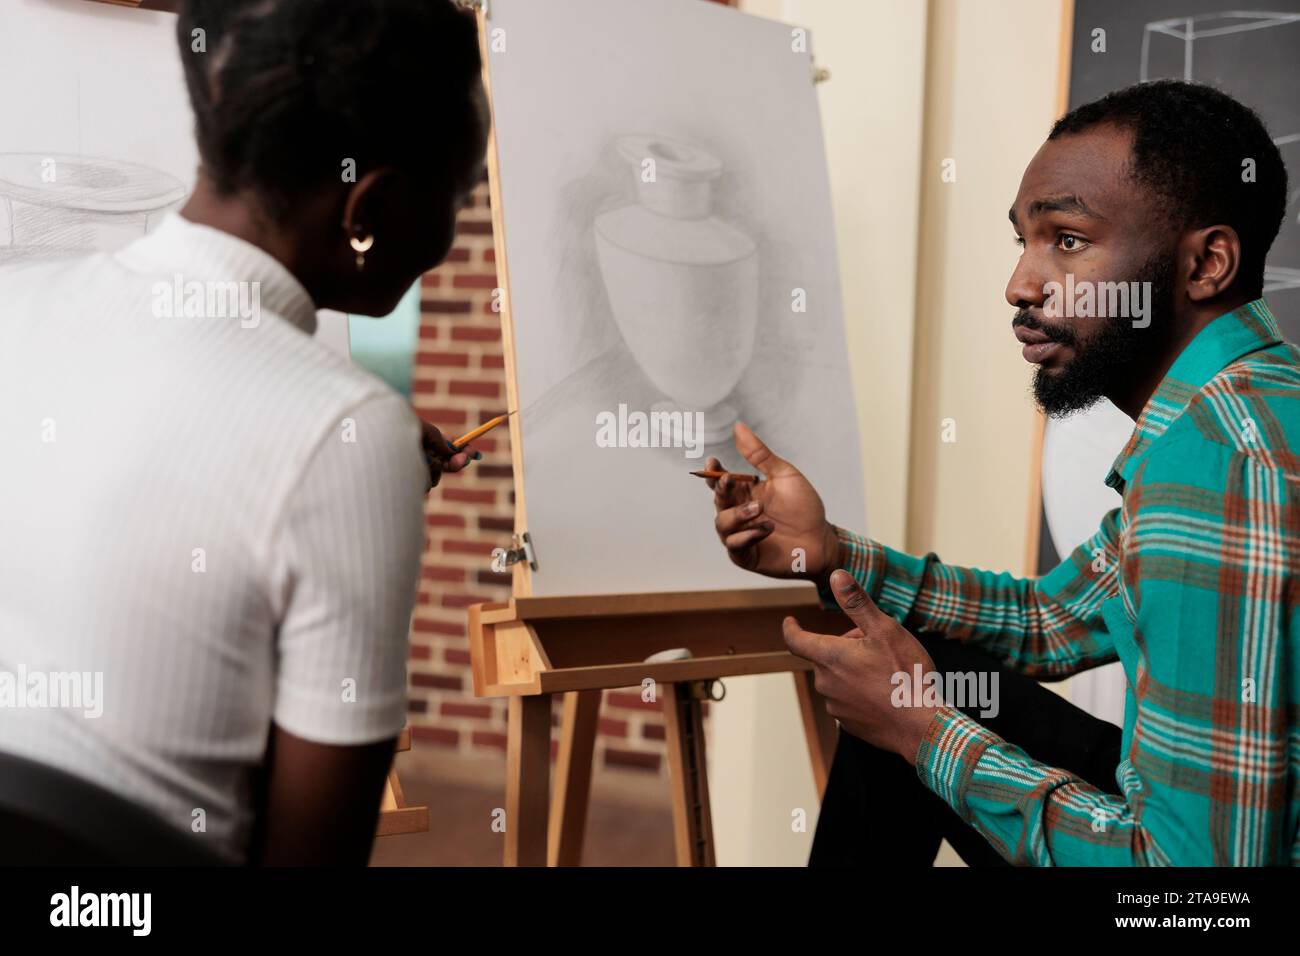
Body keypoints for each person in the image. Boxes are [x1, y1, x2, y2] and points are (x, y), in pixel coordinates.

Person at [704, 80, 1299, 865]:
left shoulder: (1222, 468)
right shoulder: (1244, 411)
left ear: (1206, 263)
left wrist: (922, 735)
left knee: (920, 705)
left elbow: (1197, 899)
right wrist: (832, 552)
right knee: (935, 671)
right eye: (1023, 241)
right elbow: (1050, 622)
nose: (1020, 285)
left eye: (1069, 241)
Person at [0, 0, 487, 864]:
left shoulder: (15, 311)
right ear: (369, 207)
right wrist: (343, 459)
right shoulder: (350, 434)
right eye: (459, 194)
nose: (450, 234)